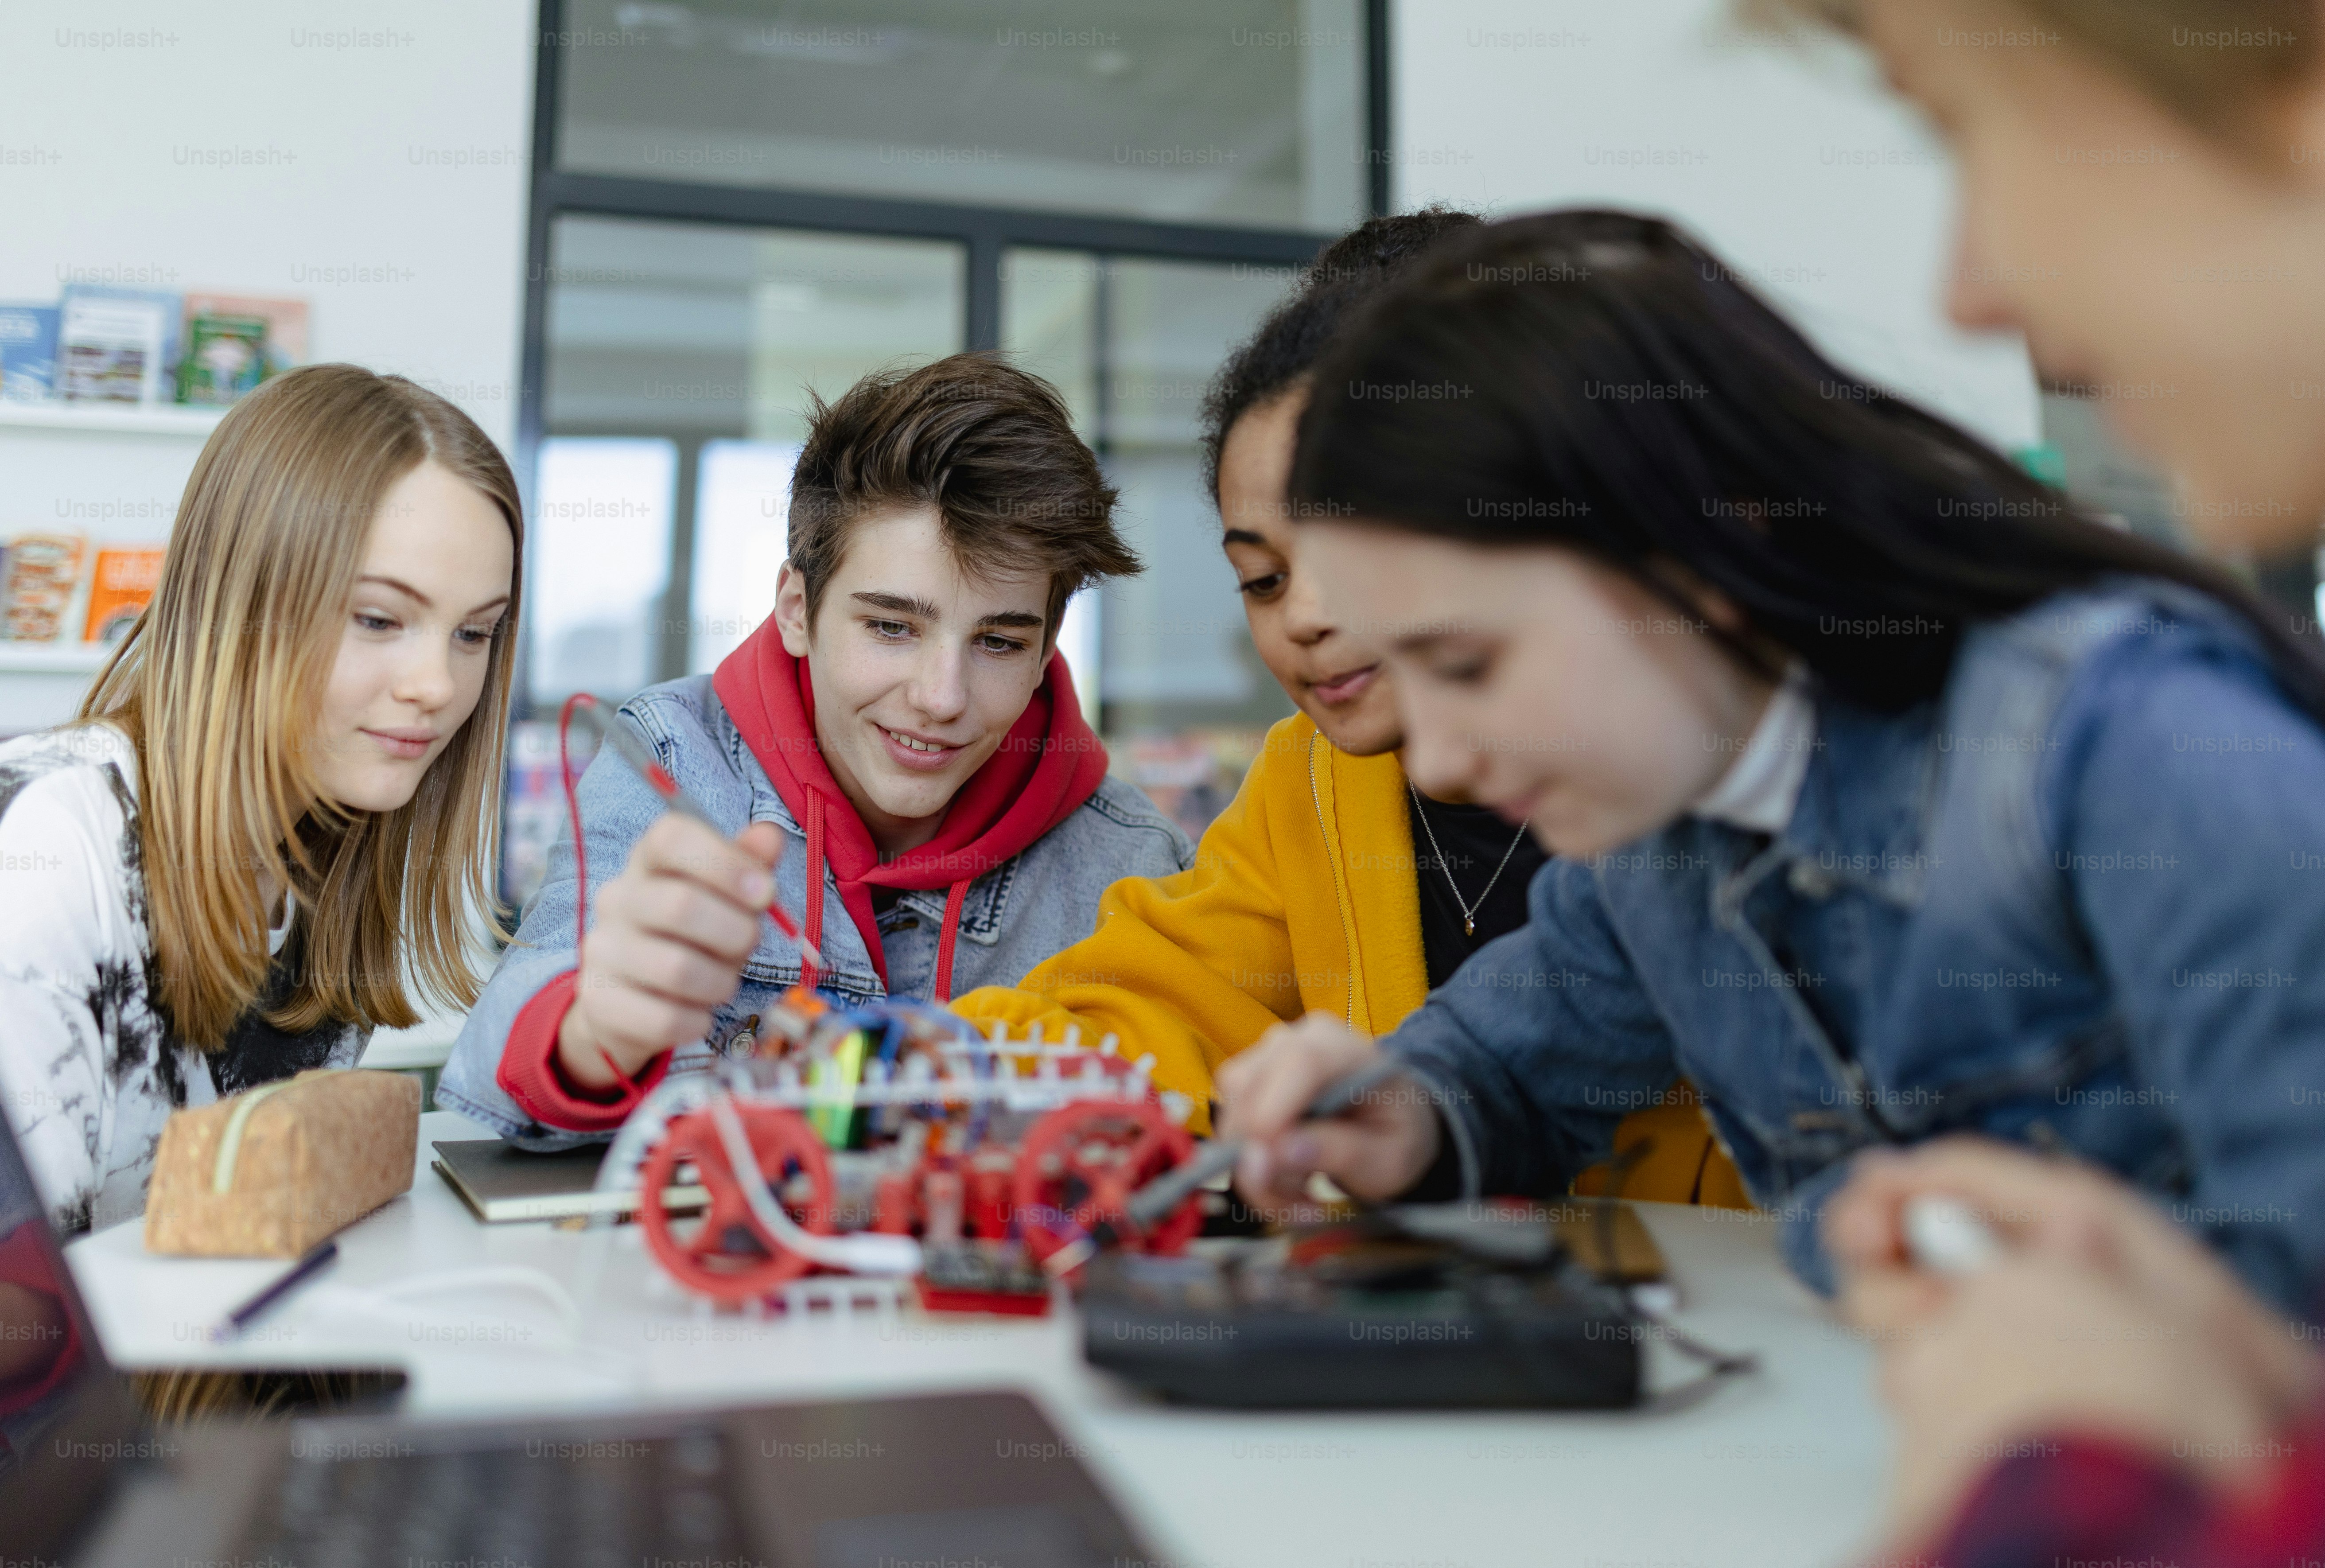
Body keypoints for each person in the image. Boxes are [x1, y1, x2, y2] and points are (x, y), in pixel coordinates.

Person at [1213, 209, 2325, 1323]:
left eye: (1464, 661)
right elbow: (1503, 1070)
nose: (1440, 752)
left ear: (1703, 557)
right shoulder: (1656, 837)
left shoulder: (2134, 752)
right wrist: (1399, 1114)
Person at [1738, 0, 2325, 1560]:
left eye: (1965, 124)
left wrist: (2046, 1477)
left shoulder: (2144, 739)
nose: (1973, 290)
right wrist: (2242, 1367)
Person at [949, 211, 1746, 1205]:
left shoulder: (1829, 775)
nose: (1312, 619)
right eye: (1263, 578)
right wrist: (926, 1061)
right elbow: (1163, 1002)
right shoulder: (1317, 780)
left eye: (1353, 559)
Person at [436, 355, 1192, 1142]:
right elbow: (502, 1066)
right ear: (797, 609)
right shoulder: (670, 757)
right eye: (893, 627)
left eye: (998, 642)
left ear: (1045, 653)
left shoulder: (1132, 860)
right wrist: (595, 1030)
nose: (942, 698)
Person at [0, 365, 523, 1234]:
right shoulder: (49, 845)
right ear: (243, 603)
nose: (437, 685)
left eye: (473, 634)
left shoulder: (328, 854)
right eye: (378, 620)